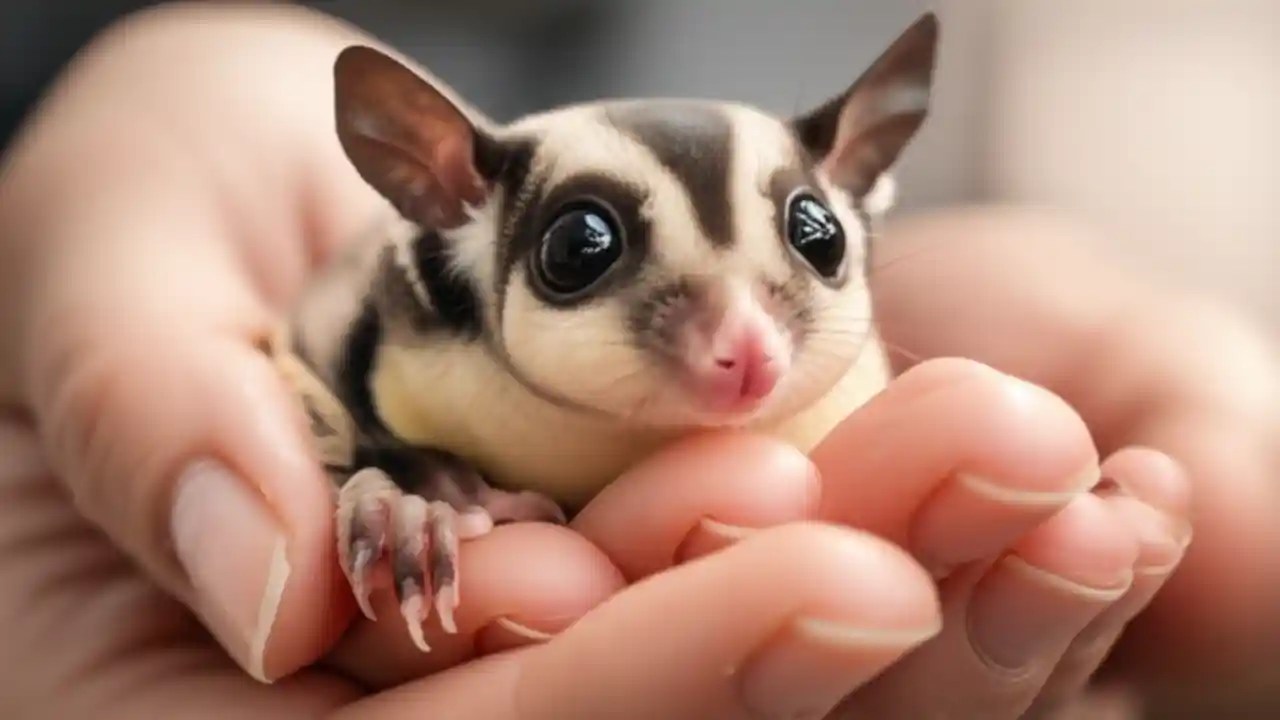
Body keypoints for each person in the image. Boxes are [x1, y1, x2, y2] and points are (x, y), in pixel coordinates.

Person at [0, 3, 1274, 718]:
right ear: (435, 183)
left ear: (859, 186)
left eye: (810, 240)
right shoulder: (398, 320)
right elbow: (316, 381)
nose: (742, 347)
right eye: (589, 246)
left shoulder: (869, 360)